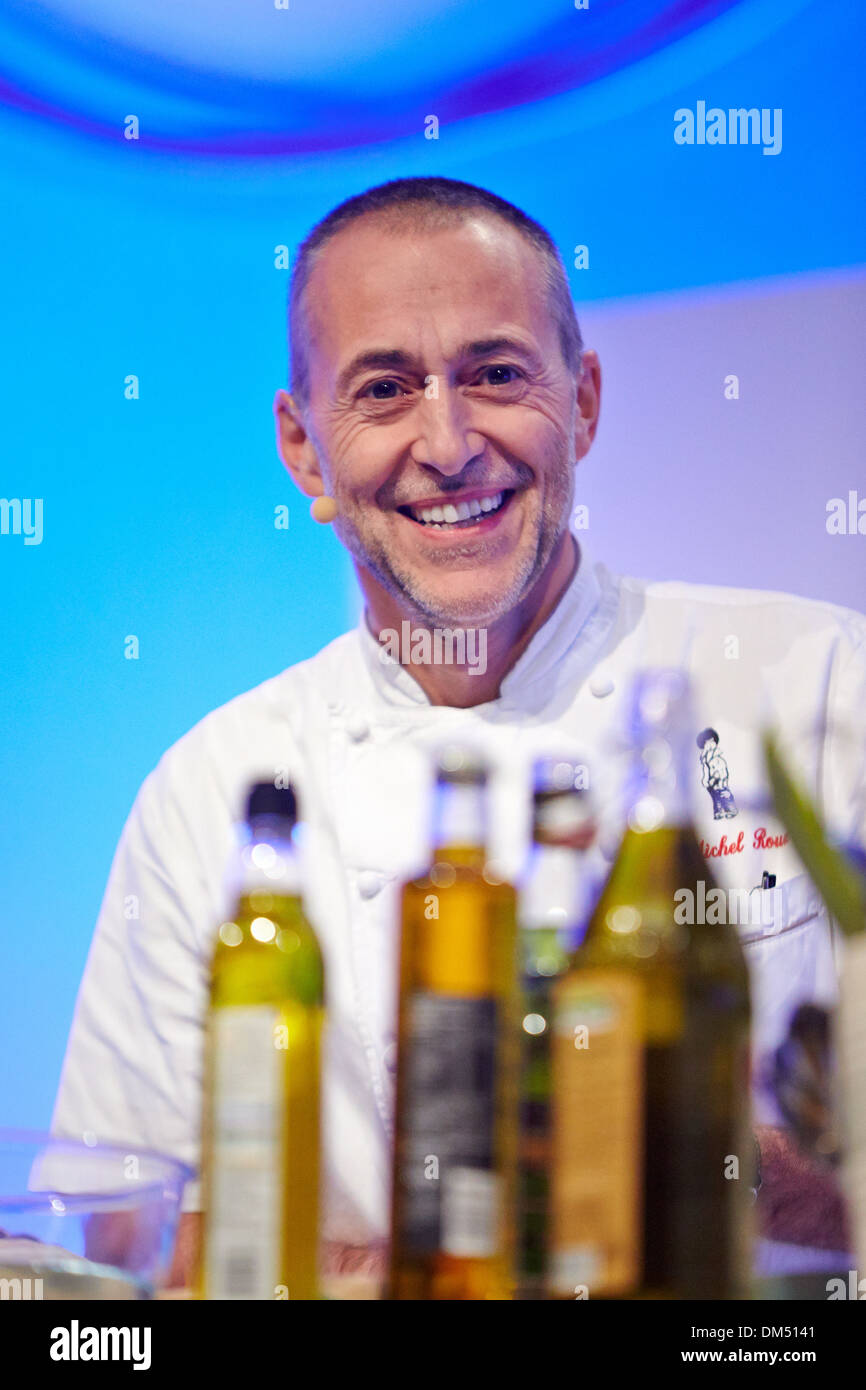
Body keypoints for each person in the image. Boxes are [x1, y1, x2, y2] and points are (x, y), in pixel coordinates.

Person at [51, 177, 866, 1292]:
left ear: (580, 402)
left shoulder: (821, 687)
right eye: (384, 389)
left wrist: (708, 1161)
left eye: (494, 375)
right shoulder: (213, 784)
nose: (448, 443)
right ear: (303, 451)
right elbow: (135, 1221)